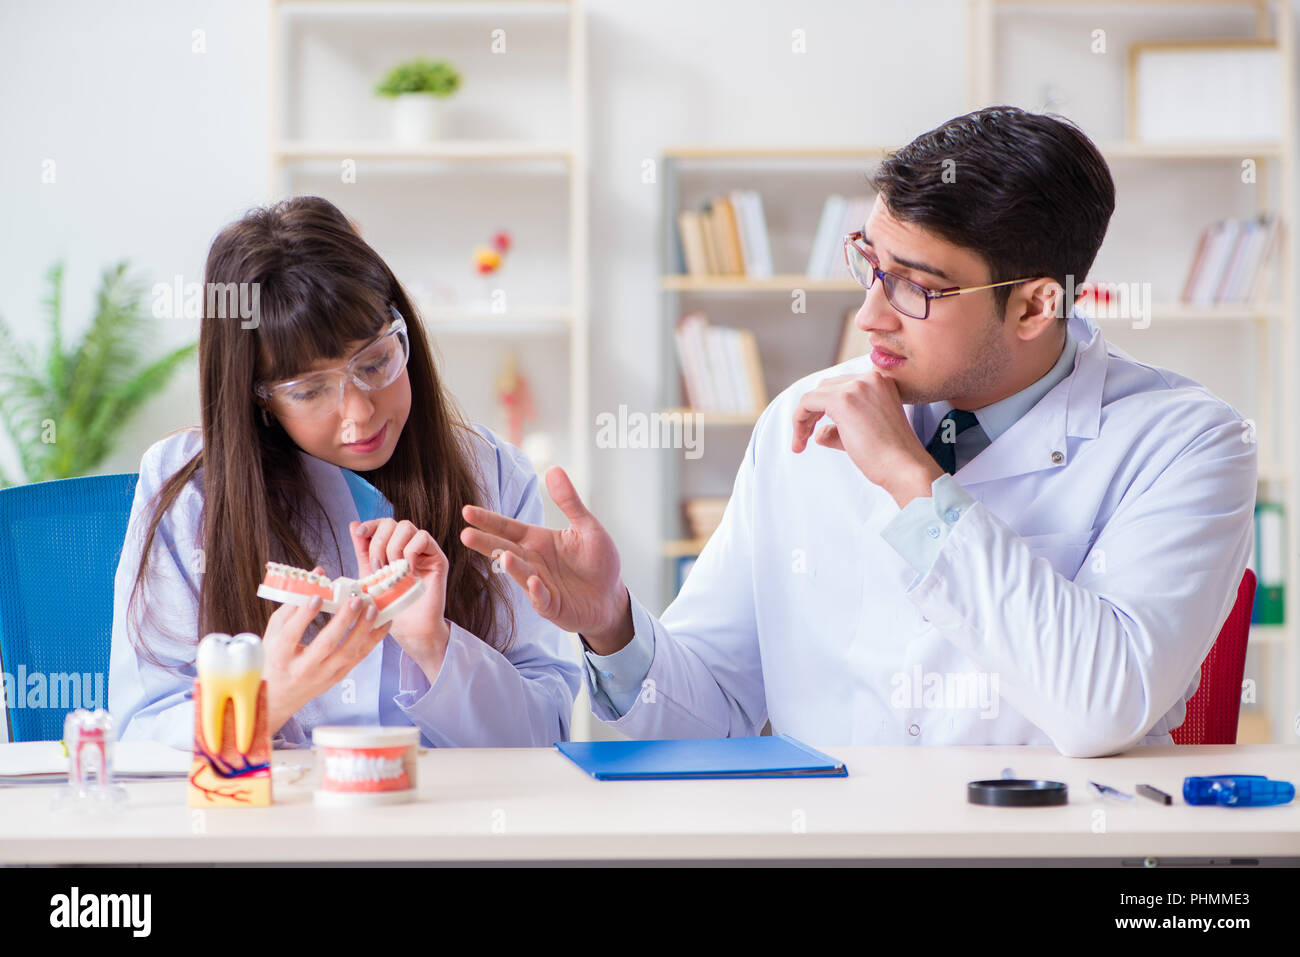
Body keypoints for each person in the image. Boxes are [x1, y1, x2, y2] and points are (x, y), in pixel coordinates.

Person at [460, 106, 1257, 758]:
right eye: (870, 264)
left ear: (1034, 306)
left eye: (917, 287)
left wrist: (914, 484)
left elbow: (1099, 707)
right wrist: (613, 626)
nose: (871, 314)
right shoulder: (802, 422)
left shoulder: (1188, 443)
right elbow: (713, 720)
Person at [109, 196, 581, 749]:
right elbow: (137, 735)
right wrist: (267, 700)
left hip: (448, 825)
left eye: (376, 362)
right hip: (273, 828)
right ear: (257, 399)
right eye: (309, 390)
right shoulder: (191, 492)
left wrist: (436, 645)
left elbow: (544, 735)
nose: (360, 414)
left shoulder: (492, 474)